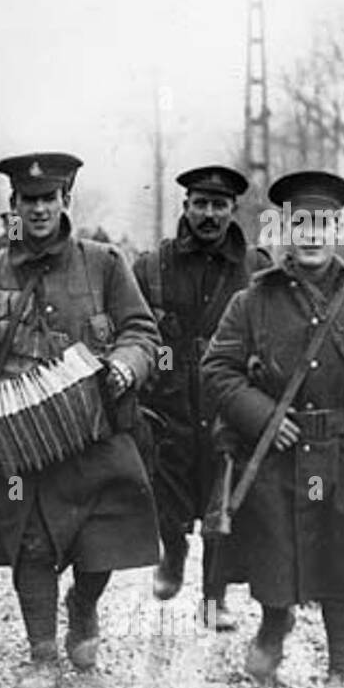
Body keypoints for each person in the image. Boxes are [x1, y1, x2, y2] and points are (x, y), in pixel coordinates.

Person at [201, 170, 344, 688]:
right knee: (276, 550)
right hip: (279, 452)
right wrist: (260, 415)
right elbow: (217, 368)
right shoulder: (254, 301)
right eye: (299, 223)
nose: (310, 235)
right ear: (283, 229)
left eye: (321, 224)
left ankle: (342, 668)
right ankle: (273, 628)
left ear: (339, 231)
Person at [0, 152, 161, 688]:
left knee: (105, 540)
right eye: (28, 199)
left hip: (93, 432)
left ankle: (84, 604)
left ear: (66, 200)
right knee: (32, 546)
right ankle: (42, 654)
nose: (39, 209)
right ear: (14, 205)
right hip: (18, 443)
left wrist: (125, 364)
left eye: (49, 198)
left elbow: (142, 332)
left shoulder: (105, 265)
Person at [132, 165, 272, 631]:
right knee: (162, 495)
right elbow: (131, 326)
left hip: (226, 403)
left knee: (223, 501)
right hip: (165, 403)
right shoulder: (153, 266)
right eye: (200, 204)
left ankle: (213, 599)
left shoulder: (256, 268)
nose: (209, 214)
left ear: (234, 211)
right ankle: (172, 554)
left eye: (219, 205)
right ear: (186, 207)